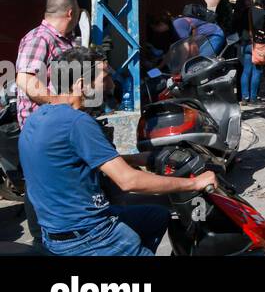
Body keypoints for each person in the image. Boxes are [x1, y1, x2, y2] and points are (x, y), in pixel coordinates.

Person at [20, 46, 217, 255]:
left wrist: (140, 158)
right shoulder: (77, 122)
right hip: (90, 236)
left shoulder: (37, 118)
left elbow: (70, 163)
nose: (111, 84)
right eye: (104, 78)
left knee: (157, 216)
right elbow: (128, 181)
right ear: (81, 85)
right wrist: (194, 183)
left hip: (58, 231)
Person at [14, 0, 83, 249]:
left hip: (63, 124)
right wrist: (62, 101)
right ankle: (41, 242)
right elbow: (25, 81)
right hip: (40, 127)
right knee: (39, 183)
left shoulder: (65, 41)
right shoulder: (39, 38)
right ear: (70, 13)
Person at [241, 0, 265, 105]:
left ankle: (244, 98)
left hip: (246, 43)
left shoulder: (247, 11)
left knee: (246, 71)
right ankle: (253, 98)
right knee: (257, 71)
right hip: (258, 45)